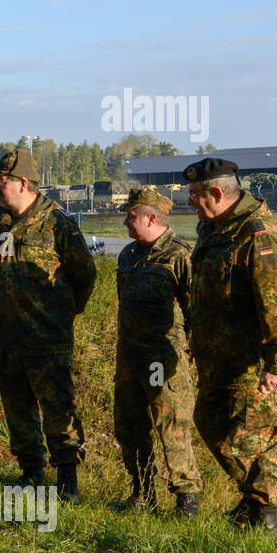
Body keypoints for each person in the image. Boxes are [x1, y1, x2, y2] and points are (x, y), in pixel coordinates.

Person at [185, 157, 277, 531]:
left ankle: (265, 515)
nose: (190, 203)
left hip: (251, 366)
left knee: (250, 442)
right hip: (217, 359)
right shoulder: (214, 228)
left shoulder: (256, 234)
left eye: (195, 195)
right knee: (209, 422)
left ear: (217, 193)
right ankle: (256, 503)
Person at [0, 148, 96, 502]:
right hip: (6, 335)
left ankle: (67, 482)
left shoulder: (57, 224)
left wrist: (62, 314)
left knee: (58, 408)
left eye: (4, 181)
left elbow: (85, 275)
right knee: (17, 408)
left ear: (25, 183)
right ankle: (31, 472)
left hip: (46, 338)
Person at [112, 187, 201, 516]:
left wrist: (196, 354)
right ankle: (142, 492)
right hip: (129, 357)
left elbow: (196, 313)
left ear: (152, 217)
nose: (125, 222)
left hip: (162, 359)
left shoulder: (180, 256)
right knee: (129, 424)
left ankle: (186, 498)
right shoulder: (128, 256)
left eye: (131, 216)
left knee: (171, 423)